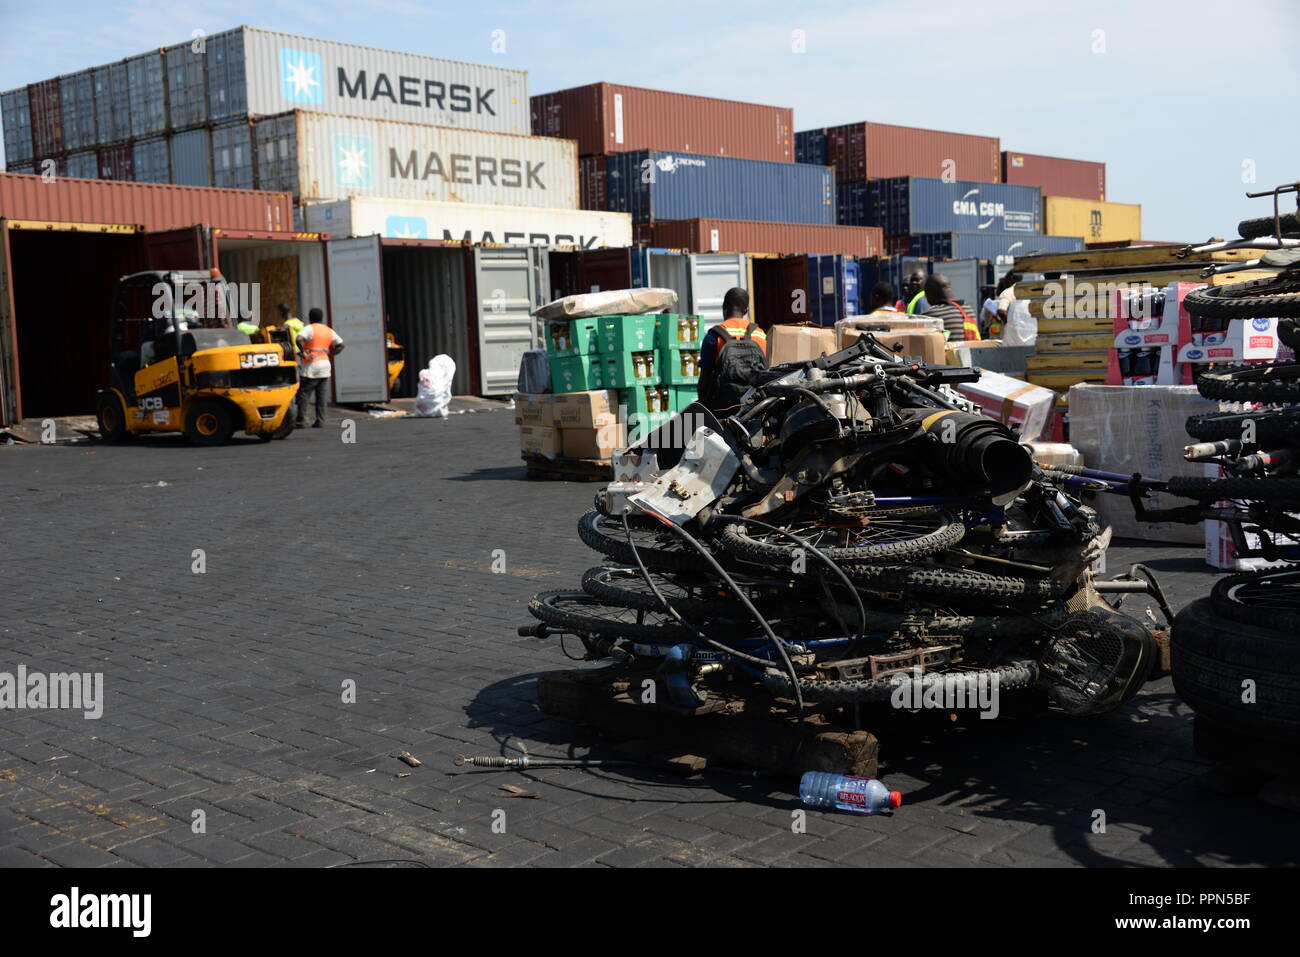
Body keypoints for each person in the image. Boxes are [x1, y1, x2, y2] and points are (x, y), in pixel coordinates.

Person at [697, 287, 767, 413]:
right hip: (753, 407)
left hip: (722, 408)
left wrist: (703, 403)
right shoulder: (760, 334)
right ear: (746, 310)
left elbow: (704, 380)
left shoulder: (714, 336)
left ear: (724, 307)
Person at [295, 308, 344, 427]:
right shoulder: (328, 330)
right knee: (321, 395)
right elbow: (341, 344)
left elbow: (298, 339)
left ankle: (301, 420)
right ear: (321, 318)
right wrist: (331, 354)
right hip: (325, 366)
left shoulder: (309, 328)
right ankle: (320, 420)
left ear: (310, 317)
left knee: (304, 393)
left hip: (312, 366)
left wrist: (304, 352)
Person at [921, 274, 980, 342]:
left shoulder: (930, 315)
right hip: (971, 351)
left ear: (930, 293)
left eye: (926, 293)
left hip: (950, 352)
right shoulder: (968, 309)